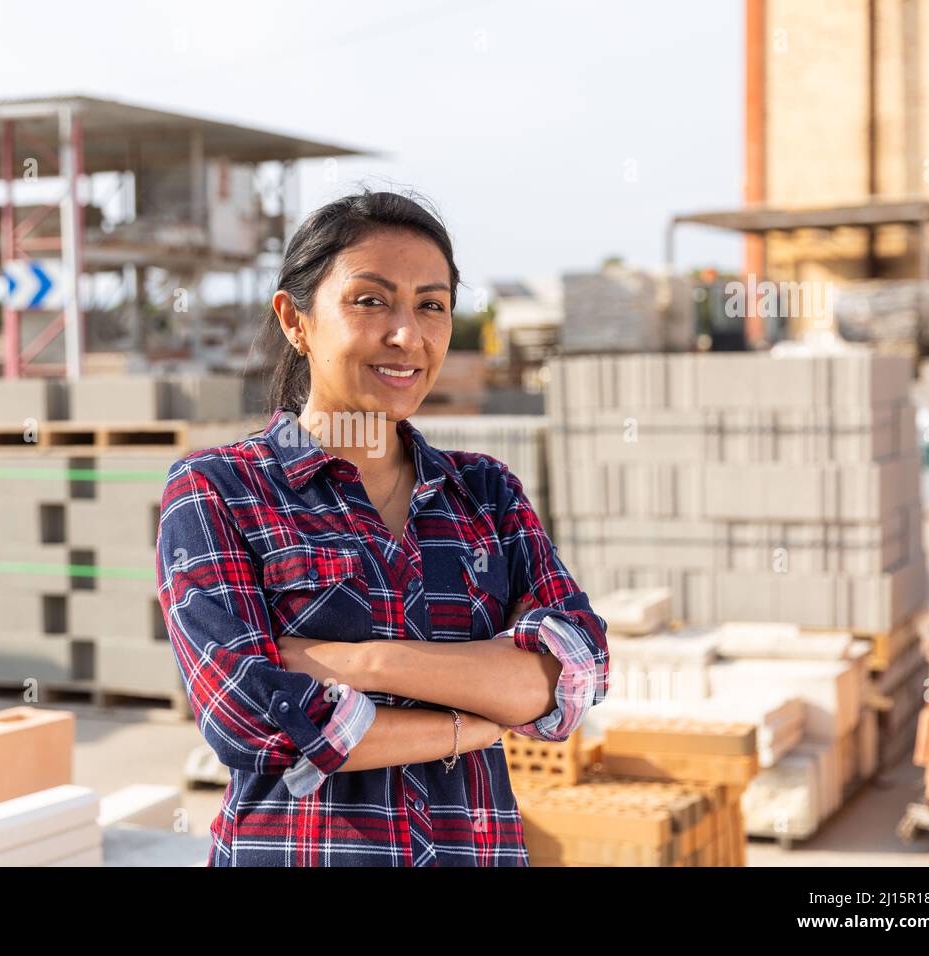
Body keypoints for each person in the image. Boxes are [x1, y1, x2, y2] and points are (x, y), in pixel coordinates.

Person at [155, 188, 609, 866]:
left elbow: (573, 675)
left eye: (431, 305)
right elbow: (250, 721)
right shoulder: (219, 491)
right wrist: (476, 723)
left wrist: (361, 662)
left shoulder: (485, 492)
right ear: (295, 320)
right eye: (371, 301)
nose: (408, 335)